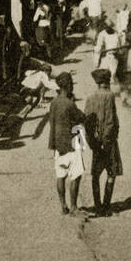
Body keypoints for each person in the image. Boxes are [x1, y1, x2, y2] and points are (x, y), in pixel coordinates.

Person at [46, 71, 87, 215]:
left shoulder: (54, 103)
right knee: (76, 175)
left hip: (58, 144)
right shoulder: (69, 104)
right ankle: (74, 207)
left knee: (60, 175)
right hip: (71, 143)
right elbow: (80, 118)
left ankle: (63, 205)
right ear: (68, 86)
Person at [84, 67, 124, 214]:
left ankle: (97, 205)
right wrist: (108, 141)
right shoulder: (109, 96)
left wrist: (92, 143)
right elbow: (112, 121)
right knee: (111, 173)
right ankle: (106, 205)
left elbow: (87, 122)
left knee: (95, 175)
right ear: (107, 81)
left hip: (96, 142)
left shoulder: (90, 97)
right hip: (109, 142)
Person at [18, 42, 54, 109]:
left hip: (27, 77)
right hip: (26, 80)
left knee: (45, 71)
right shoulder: (23, 58)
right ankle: (39, 98)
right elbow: (23, 71)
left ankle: (38, 97)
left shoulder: (24, 57)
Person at [94, 18, 121, 82]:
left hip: (114, 57)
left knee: (113, 75)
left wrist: (118, 52)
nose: (106, 28)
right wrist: (98, 54)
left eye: (108, 27)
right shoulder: (102, 34)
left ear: (111, 27)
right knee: (103, 75)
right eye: (105, 26)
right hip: (105, 57)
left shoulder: (116, 34)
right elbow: (98, 47)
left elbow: (119, 47)